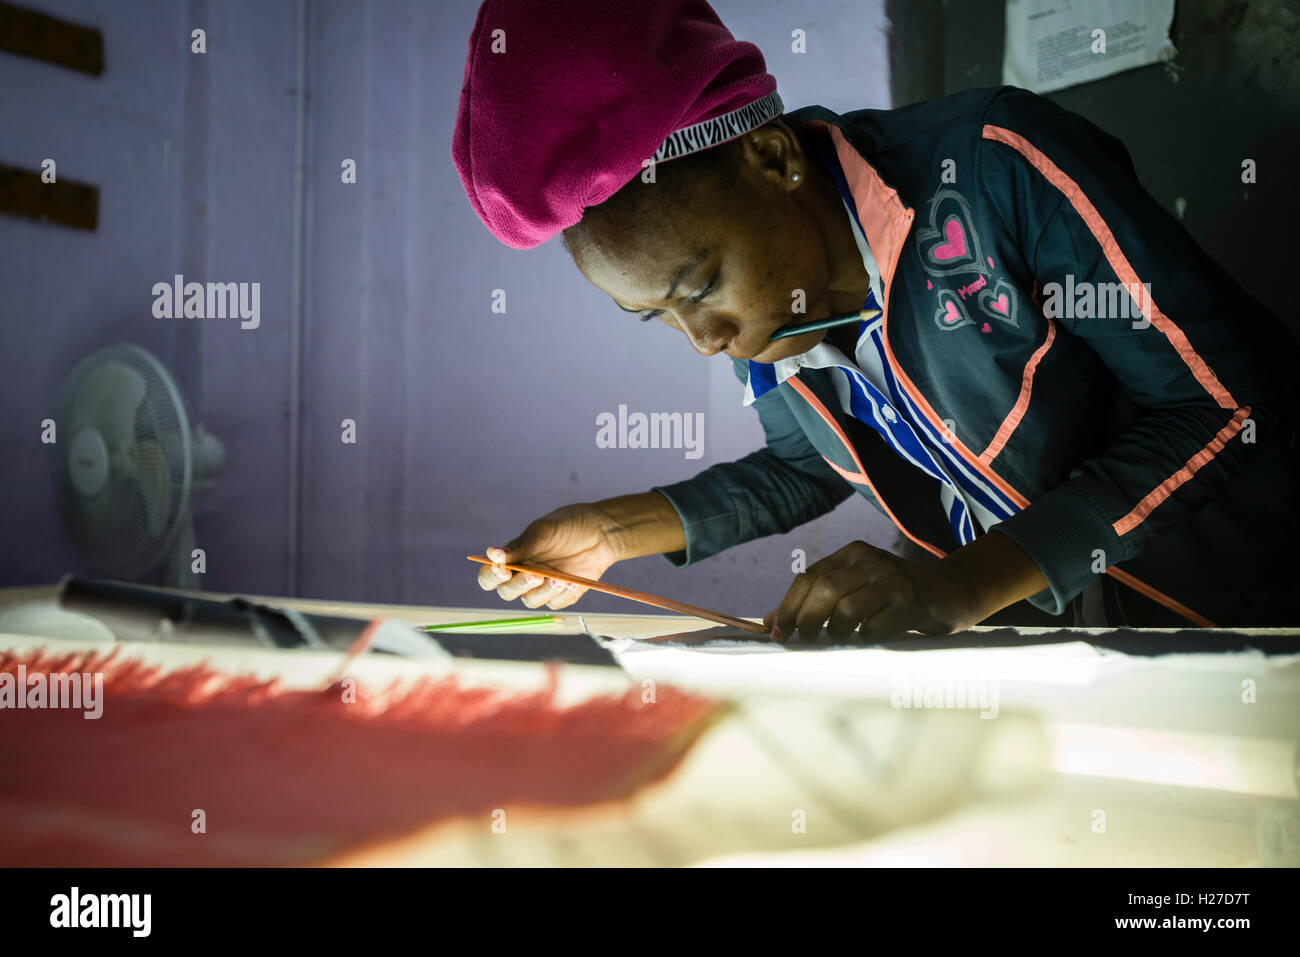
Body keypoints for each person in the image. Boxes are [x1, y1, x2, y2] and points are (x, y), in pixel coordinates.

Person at [451, 0, 1300, 638]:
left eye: (702, 284)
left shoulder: (996, 168)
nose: (704, 338)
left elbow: (1221, 408)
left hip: (1246, 612)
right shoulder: (781, 312)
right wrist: (609, 531)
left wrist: (958, 585)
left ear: (772, 158)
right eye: (657, 317)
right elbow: (809, 465)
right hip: (1085, 645)